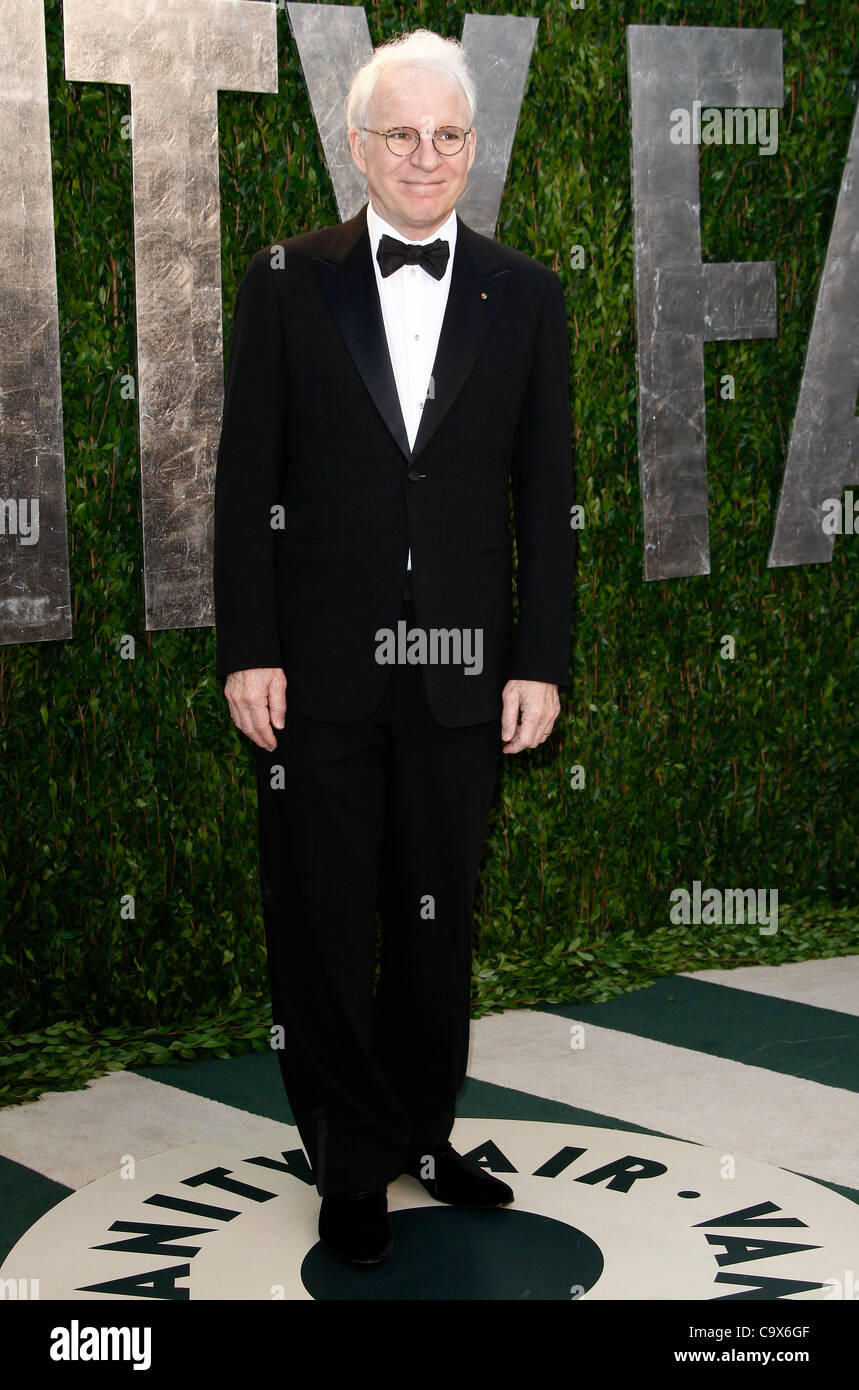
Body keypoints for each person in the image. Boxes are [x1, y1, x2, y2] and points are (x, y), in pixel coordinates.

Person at [213, 27, 574, 1267]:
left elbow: (547, 490)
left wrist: (541, 658)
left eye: (448, 135)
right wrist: (248, 645)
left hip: (467, 668)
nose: (426, 156)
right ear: (357, 145)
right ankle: (350, 1156)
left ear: (472, 146)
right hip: (315, 671)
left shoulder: (526, 292)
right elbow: (241, 478)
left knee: (435, 922)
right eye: (401, 134)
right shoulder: (283, 279)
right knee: (318, 917)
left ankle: (423, 1135)